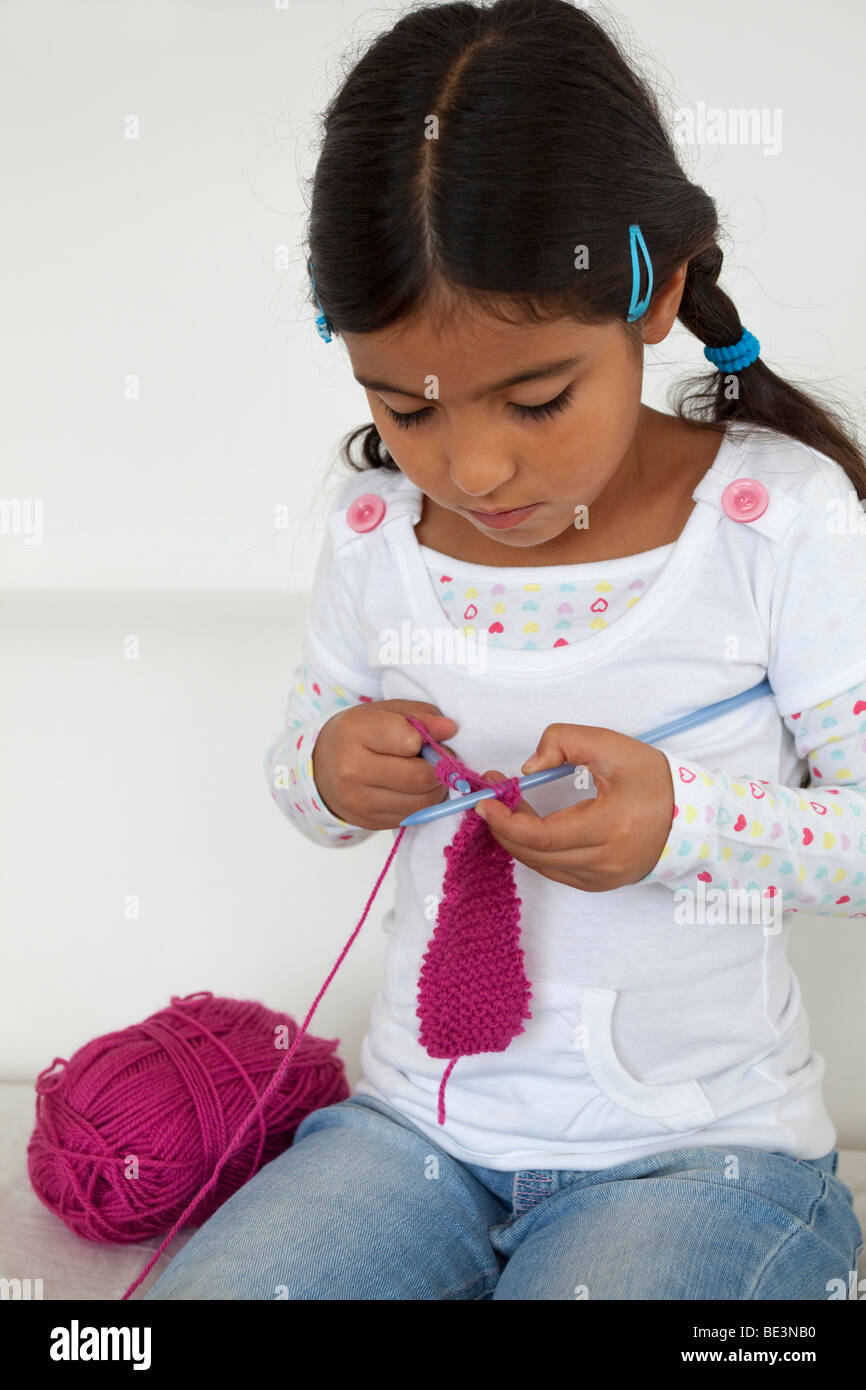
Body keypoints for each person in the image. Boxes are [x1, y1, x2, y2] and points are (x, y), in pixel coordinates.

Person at [146, 0, 866, 1300]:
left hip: (700, 1156)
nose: (472, 465)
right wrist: (331, 767)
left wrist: (685, 824)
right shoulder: (376, 532)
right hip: (411, 1134)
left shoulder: (774, 521)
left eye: (536, 398)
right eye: (402, 403)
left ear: (651, 291)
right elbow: (301, 789)